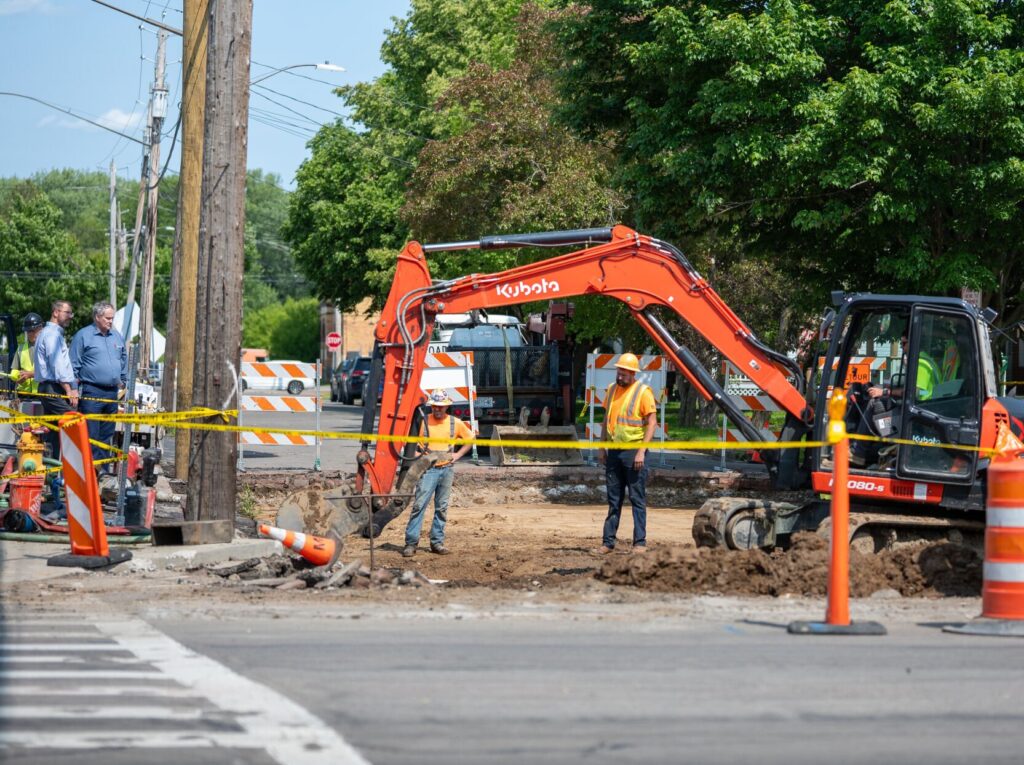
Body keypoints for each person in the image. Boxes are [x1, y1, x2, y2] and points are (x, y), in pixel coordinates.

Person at [596, 352, 657, 555]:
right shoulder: (612, 390)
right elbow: (606, 419)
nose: (620, 376)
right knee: (614, 499)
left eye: (624, 373)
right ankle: (608, 542)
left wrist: (641, 451)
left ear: (633, 373)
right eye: (619, 372)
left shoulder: (643, 392)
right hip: (614, 451)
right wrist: (601, 446)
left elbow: (652, 423)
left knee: (637, 499)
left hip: (633, 452)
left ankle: (639, 543)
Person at [401, 389, 475, 558]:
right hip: (427, 470)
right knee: (419, 506)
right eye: (435, 407)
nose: (437, 410)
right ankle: (411, 543)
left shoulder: (455, 423)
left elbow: (470, 439)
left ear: (447, 407)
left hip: (446, 470)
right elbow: (408, 443)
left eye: (440, 407)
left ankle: (437, 542)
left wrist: (458, 455)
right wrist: (416, 455)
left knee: (441, 507)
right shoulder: (423, 422)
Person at [850, 334, 940, 467]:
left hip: (918, 418)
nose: (902, 348)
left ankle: (858, 452)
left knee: (875, 402)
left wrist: (885, 392)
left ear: (915, 342)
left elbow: (913, 393)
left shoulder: (921, 364)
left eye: (904, 344)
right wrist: (885, 387)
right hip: (920, 411)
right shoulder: (926, 361)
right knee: (879, 397)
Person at [70, 301, 128, 469]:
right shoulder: (83, 336)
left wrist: (123, 380)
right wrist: (73, 388)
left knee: (106, 435)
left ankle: (101, 471)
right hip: (92, 392)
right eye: (108, 318)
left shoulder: (116, 337)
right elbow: (74, 364)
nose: (111, 321)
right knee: (91, 434)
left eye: (112, 318)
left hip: (112, 393)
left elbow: (123, 359)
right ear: (97, 317)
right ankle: (88, 472)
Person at [33, 300, 78, 459]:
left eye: (71, 314)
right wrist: (69, 389)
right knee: (75, 422)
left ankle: (51, 476)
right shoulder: (52, 335)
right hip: (54, 388)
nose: (70, 317)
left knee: (52, 434)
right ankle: (73, 474)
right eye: (67, 313)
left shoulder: (48, 333)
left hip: (49, 388)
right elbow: (57, 366)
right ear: (55, 312)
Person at [10, 313, 44, 397]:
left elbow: (52, 372)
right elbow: (14, 370)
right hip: (24, 394)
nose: (30, 333)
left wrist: (31, 374)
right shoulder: (21, 348)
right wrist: (16, 377)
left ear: (41, 328)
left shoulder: (47, 347)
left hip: (43, 394)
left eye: (33, 330)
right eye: (28, 331)